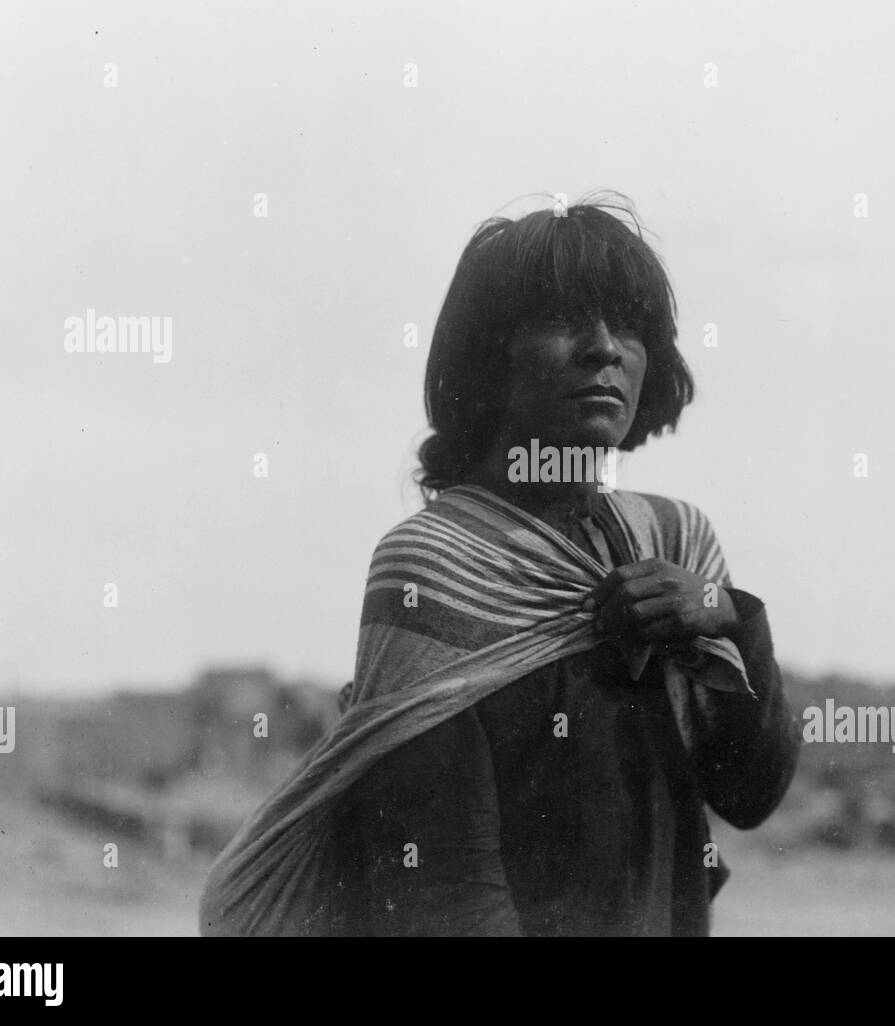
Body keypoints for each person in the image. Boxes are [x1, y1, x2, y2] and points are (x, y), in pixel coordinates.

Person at [199, 193, 801, 937]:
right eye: (561, 319)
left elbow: (750, 793)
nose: (604, 348)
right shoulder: (435, 565)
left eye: (630, 326)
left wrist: (730, 619)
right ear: (488, 358)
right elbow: (443, 887)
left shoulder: (671, 542)